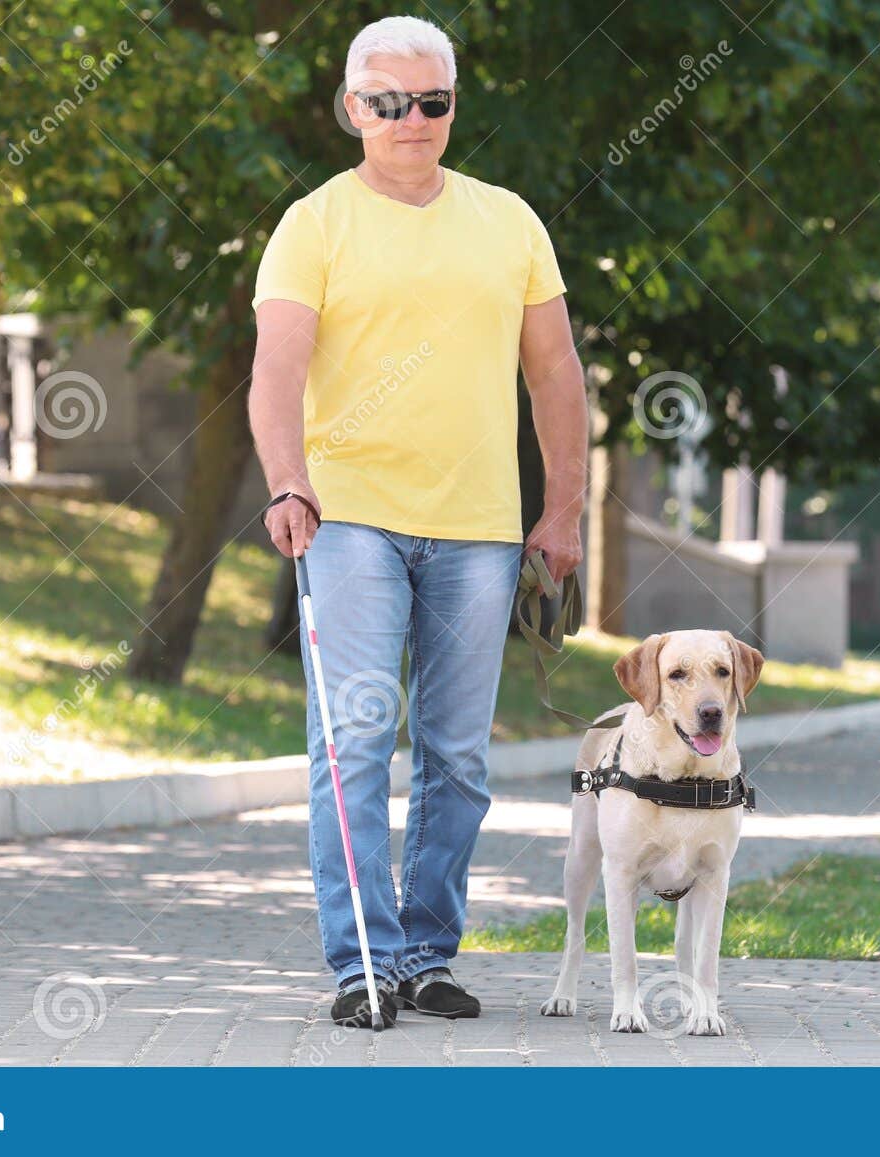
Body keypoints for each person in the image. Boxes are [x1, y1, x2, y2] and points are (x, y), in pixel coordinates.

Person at [248, 14, 588, 1028]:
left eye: (430, 102)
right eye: (388, 102)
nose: (410, 120)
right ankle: (361, 964)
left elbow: (556, 371)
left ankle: (428, 954)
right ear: (354, 108)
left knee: (455, 752)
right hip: (346, 518)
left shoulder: (509, 221)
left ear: (452, 106)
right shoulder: (315, 222)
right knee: (353, 739)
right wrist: (286, 481)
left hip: (479, 526)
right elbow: (276, 370)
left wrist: (561, 507)